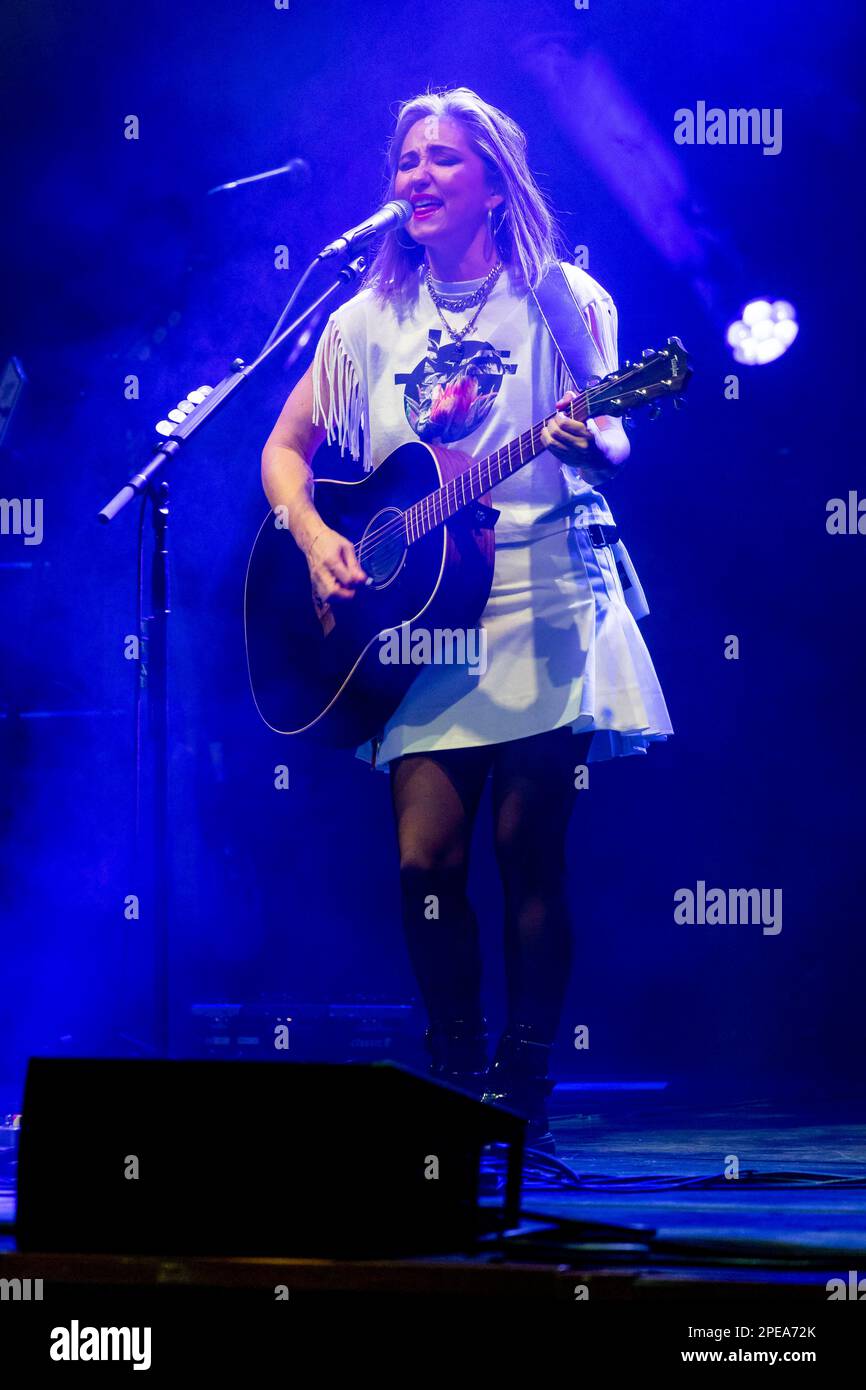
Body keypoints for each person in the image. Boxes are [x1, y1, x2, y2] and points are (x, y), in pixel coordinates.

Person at [261, 87, 672, 1151]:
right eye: (405, 161)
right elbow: (284, 450)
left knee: (525, 846)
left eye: (443, 160)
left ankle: (521, 1085)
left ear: (494, 181)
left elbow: (616, 435)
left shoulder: (556, 294)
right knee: (421, 864)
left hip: (542, 594)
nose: (418, 177)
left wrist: (594, 439)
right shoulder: (363, 321)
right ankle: (452, 1074)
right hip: (424, 620)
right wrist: (314, 538)